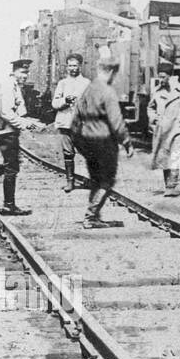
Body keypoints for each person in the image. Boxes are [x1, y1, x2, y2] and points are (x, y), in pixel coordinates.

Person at [71, 51, 134, 228]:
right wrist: (127, 142)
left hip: (86, 141)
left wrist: (78, 142)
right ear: (112, 72)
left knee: (96, 179)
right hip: (104, 142)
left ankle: (94, 215)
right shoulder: (108, 92)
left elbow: (75, 120)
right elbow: (117, 122)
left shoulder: (87, 90)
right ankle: (90, 217)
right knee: (107, 180)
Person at [0, 58, 46, 214]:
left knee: (11, 164)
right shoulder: (8, 87)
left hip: (7, 131)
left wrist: (31, 121)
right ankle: (8, 205)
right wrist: (26, 124)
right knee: (11, 167)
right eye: (23, 72)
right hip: (5, 132)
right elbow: (7, 113)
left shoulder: (15, 86)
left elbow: (19, 112)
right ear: (14, 72)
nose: (25, 75)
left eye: (27, 72)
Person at [148, 60, 180, 197]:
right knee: (164, 157)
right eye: (159, 76)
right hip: (163, 129)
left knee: (176, 155)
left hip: (178, 128)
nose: (161, 79)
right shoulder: (156, 92)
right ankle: (168, 186)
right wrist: (154, 119)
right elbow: (150, 107)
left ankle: (172, 185)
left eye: (163, 76)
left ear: (170, 76)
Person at [50, 53, 90, 192]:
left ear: (80, 66)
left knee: (87, 152)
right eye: (70, 66)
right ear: (67, 67)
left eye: (75, 65)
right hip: (65, 123)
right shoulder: (62, 83)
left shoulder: (86, 83)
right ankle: (70, 182)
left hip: (81, 124)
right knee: (68, 153)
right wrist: (64, 102)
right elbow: (54, 104)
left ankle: (91, 180)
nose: (72, 68)